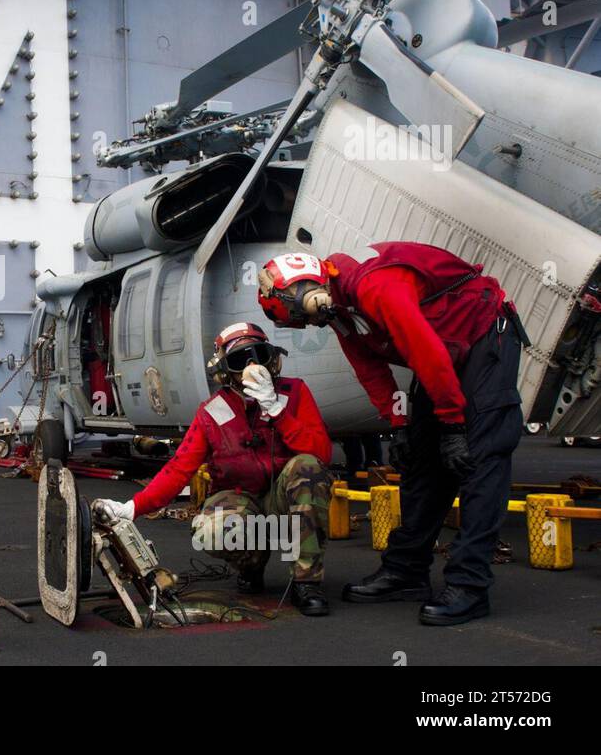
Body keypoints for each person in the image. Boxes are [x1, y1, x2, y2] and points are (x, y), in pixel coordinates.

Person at [257, 244, 526, 625]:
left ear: (307, 289)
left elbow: (425, 351)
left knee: (480, 456)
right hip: (442, 353)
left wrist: (452, 425)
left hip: (482, 334)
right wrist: (398, 425)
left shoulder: (376, 288)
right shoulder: (341, 311)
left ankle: (471, 585)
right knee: (423, 461)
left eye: (305, 316)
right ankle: (406, 571)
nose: (313, 323)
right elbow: (371, 371)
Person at [93, 322, 334, 616]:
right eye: (239, 360)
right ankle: (252, 563)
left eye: (258, 355)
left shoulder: (293, 393)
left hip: (284, 497)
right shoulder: (212, 412)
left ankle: (306, 582)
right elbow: (179, 468)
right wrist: (133, 507)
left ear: (272, 358)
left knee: (307, 468)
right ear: (224, 370)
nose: (252, 366)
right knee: (210, 531)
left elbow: (321, 453)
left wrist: (277, 411)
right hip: (239, 498)